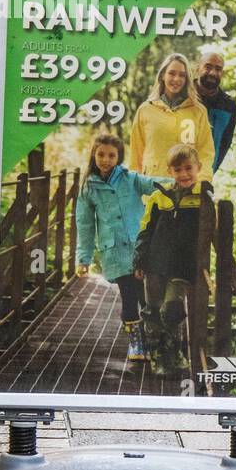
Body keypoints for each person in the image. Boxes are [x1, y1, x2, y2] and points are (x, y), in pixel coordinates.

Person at [75, 133, 160, 363]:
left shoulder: (130, 179)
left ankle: (157, 338)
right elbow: (84, 225)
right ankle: (136, 342)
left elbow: (154, 184)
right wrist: (84, 258)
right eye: (101, 154)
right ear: (93, 155)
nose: (105, 159)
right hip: (114, 252)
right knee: (129, 295)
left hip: (140, 248)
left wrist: (187, 185)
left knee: (148, 297)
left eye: (111, 155)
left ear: (119, 157)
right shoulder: (88, 187)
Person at [133, 143, 213, 376]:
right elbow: (145, 230)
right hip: (155, 265)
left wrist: (204, 264)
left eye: (189, 168)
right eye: (178, 170)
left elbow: (210, 232)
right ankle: (158, 356)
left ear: (198, 168)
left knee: (172, 308)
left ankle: (174, 351)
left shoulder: (203, 198)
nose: (184, 174)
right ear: (170, 172)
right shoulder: (159, 197)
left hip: (182, 266)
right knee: (152, 309)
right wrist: (139, 261)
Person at [129, 53, 216, 181]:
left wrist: (202, 182)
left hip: (187, 187)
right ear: (163, 75)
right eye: (172, 73)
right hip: (151, 187)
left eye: (182, 75)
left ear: (187, 79)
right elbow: (135, 156)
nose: (176, 79)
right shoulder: (145, 110)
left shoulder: (198, 111)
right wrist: (134, 187)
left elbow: (206, 153)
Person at [195, 51, 236, 171]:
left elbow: (224, 145)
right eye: (208, 67)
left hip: (204, 176)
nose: (213, 73)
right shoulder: (183, 96)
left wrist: (210, 171)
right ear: (197, 69)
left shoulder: (229, 106)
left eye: (218, 69)